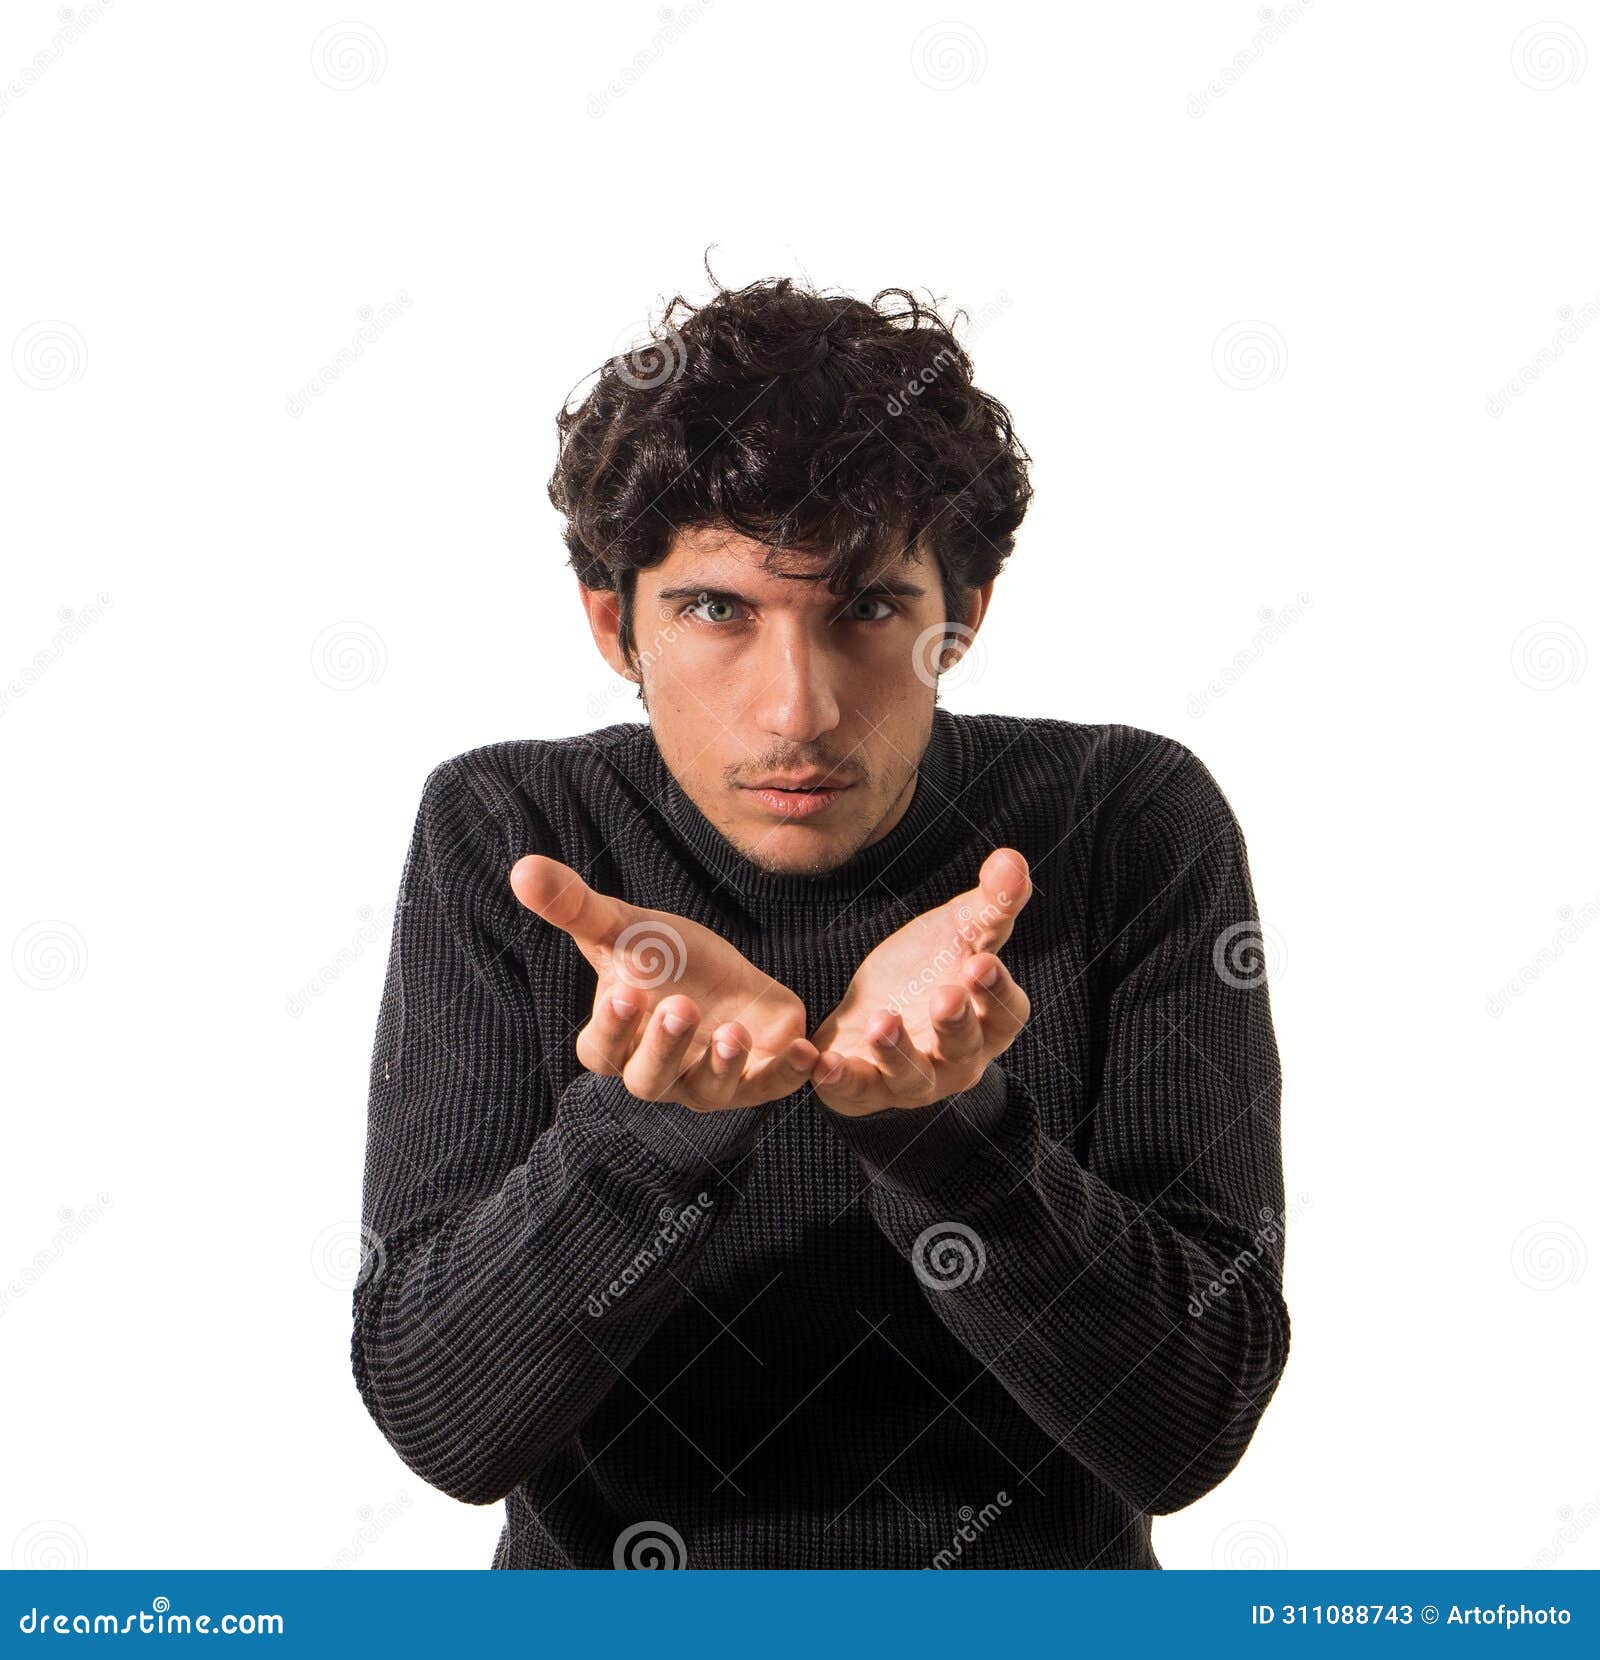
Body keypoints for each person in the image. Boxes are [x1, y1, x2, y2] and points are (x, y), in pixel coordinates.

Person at [350, 268, 1291, 1569]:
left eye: (866, 609)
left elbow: (1187, 1431)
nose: (798, 710)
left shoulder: (1124, 821)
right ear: (613, 624)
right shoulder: (514, 830)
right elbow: (445, 1426)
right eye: (717, 610)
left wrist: (943, 1126)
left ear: (961, 619)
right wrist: (651, 1129)